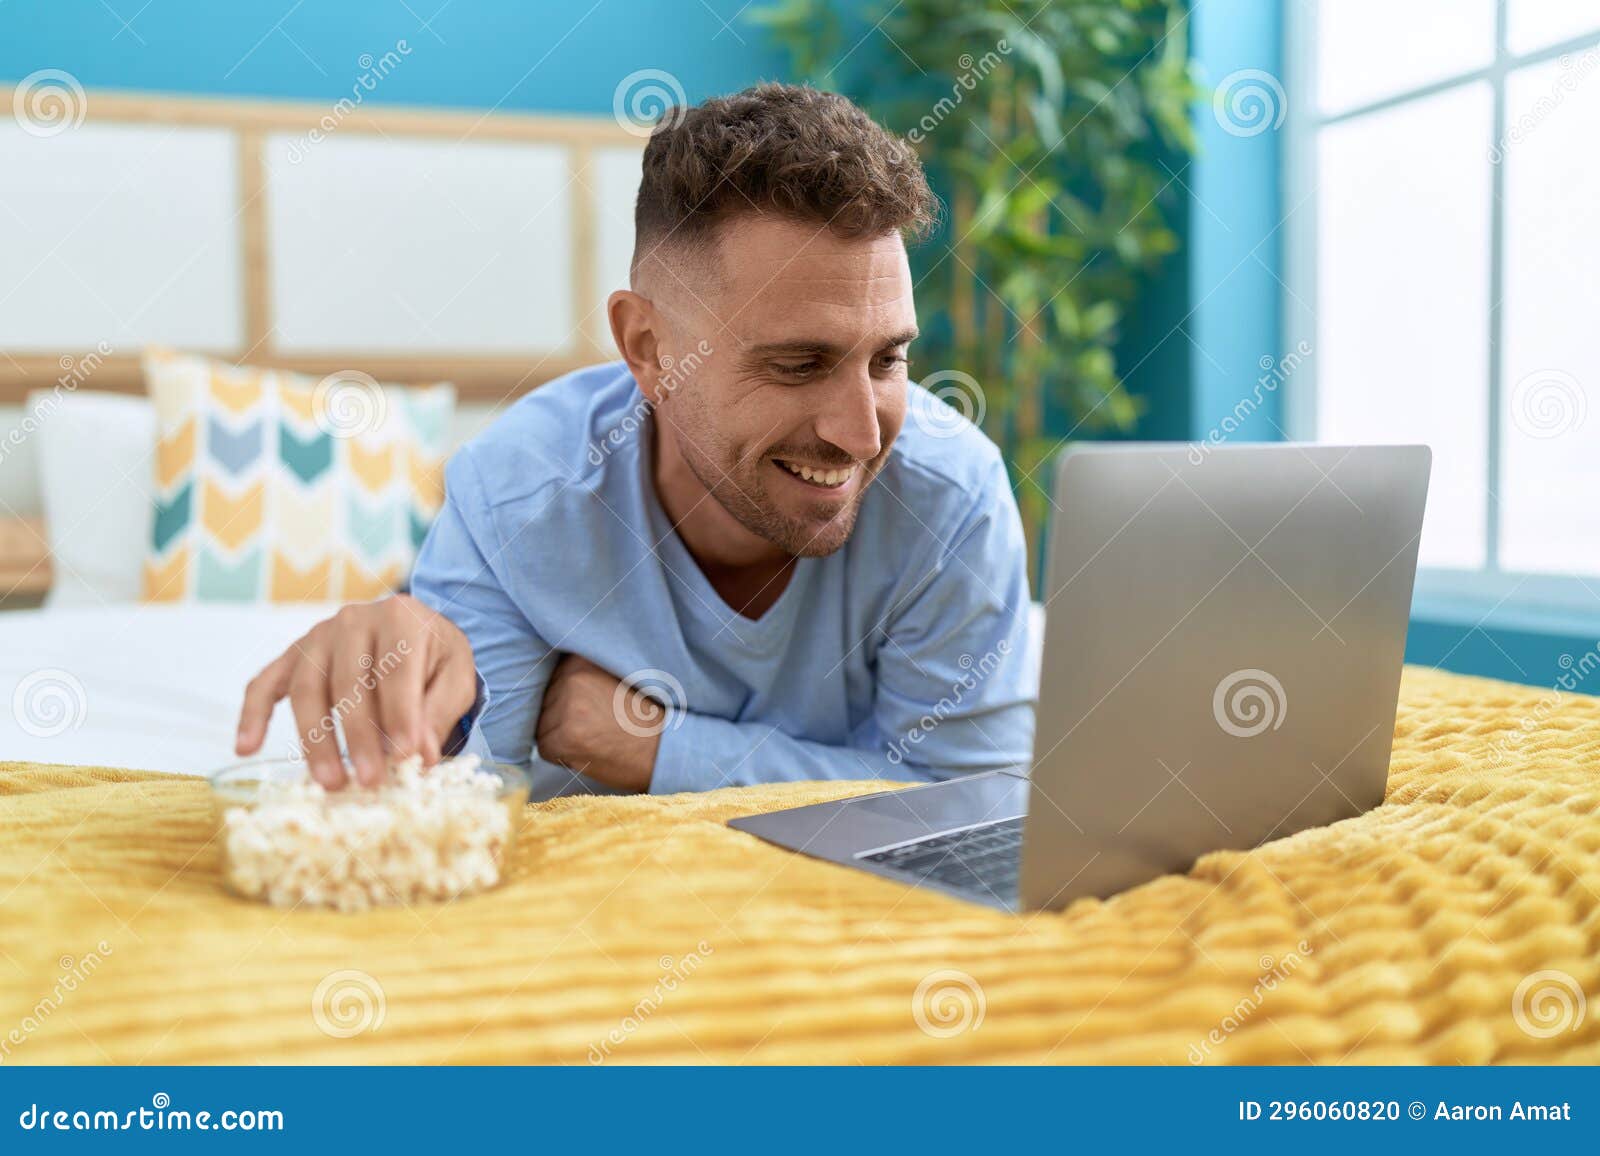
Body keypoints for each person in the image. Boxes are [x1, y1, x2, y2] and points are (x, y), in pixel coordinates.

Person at [235, 83, 1035, 798]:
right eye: (798, 364)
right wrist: (407, 704)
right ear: (648, 348)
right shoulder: (519, 495)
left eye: (888, 359)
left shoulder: (950, 496)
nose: (861, 433)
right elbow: (455, 802)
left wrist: (664, 751)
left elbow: (975, 805)